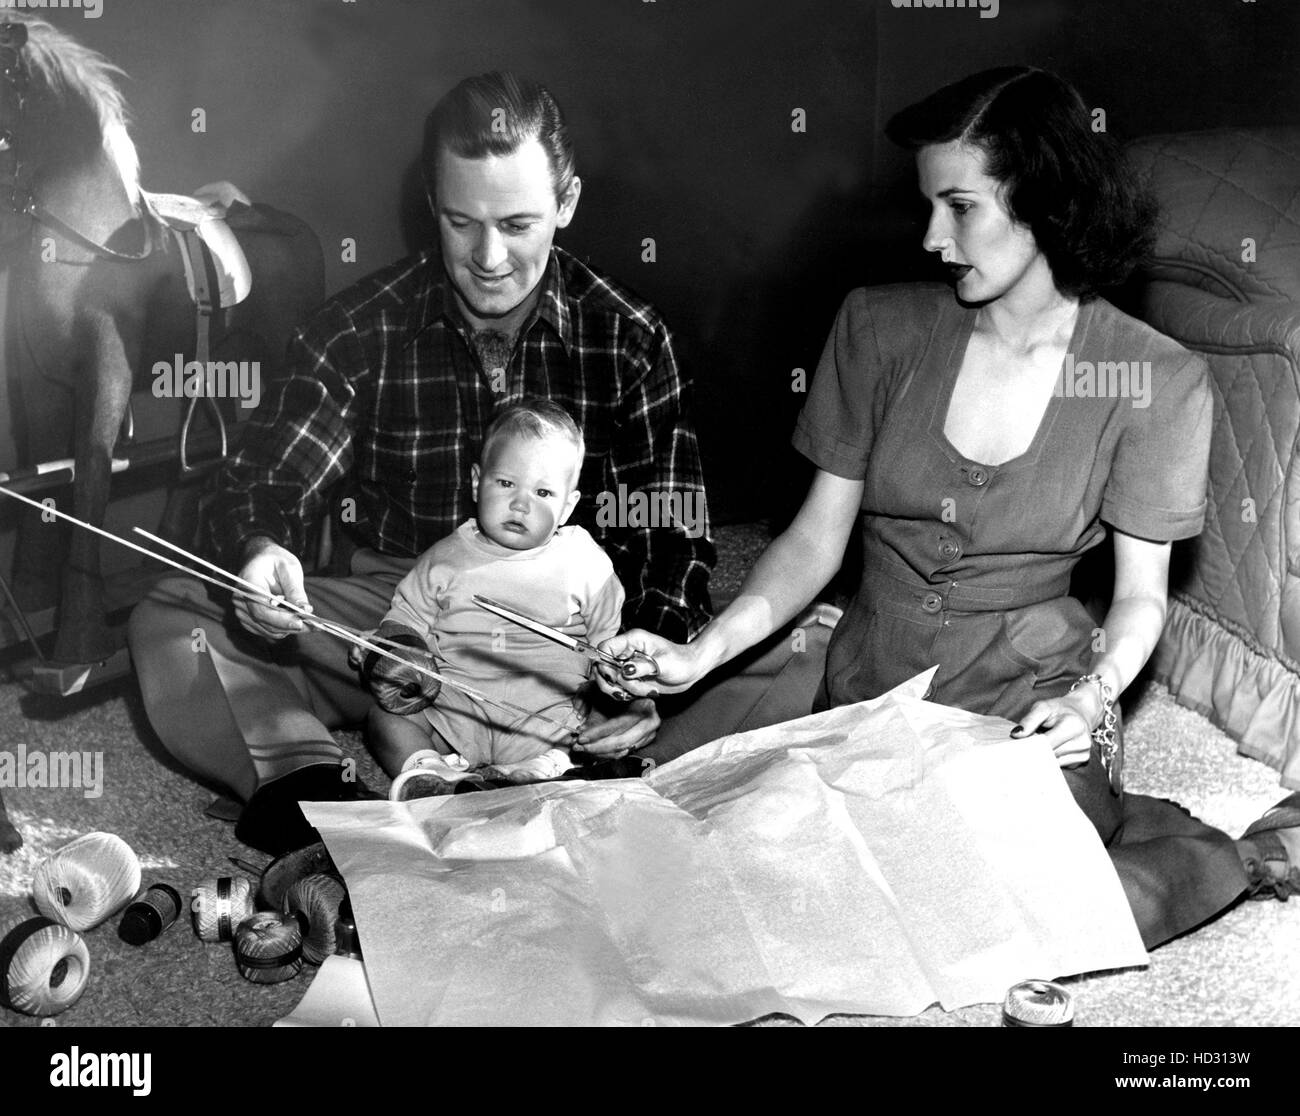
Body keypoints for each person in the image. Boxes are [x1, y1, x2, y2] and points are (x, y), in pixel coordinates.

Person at [597, 67, 1299, 949]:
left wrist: (1091, 700)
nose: (932, 236)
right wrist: (704, 650)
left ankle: (1225, 859)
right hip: (864, 680)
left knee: (990, 898)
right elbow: (815, 540)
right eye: (929, 205)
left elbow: (1138, 600)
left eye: (960, 207)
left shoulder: (1154, 378)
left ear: (1047, 203)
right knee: (684, 859)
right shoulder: (877, 329)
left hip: (1028, 707)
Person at [128, 72, 713, 854]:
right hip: (399, 620)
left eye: (518, 222)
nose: (489, 256)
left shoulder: (631, 337)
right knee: (174, 615)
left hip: (566, 635)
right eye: (462, 221)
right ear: (431, 204)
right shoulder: (357, 330)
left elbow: (674, 528)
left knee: (794, 648)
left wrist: (643, 656)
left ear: (567, 203)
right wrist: (262, 546)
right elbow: (267, 476)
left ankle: (581, 763)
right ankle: (314, 801)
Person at [362, 399, 624, 798]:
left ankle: (540, 770)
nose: (521, 503)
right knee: (384, 719)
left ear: (568, 506)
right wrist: (390, 649)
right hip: (455, 708)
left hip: (542, 717)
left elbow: (609, 644)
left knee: (587, 738)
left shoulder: (587, 564)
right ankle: (429, 773)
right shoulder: (445, 557)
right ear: (475, 482)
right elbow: (406, 619)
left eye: (543, 492)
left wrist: (613, 688)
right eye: (506, 484)